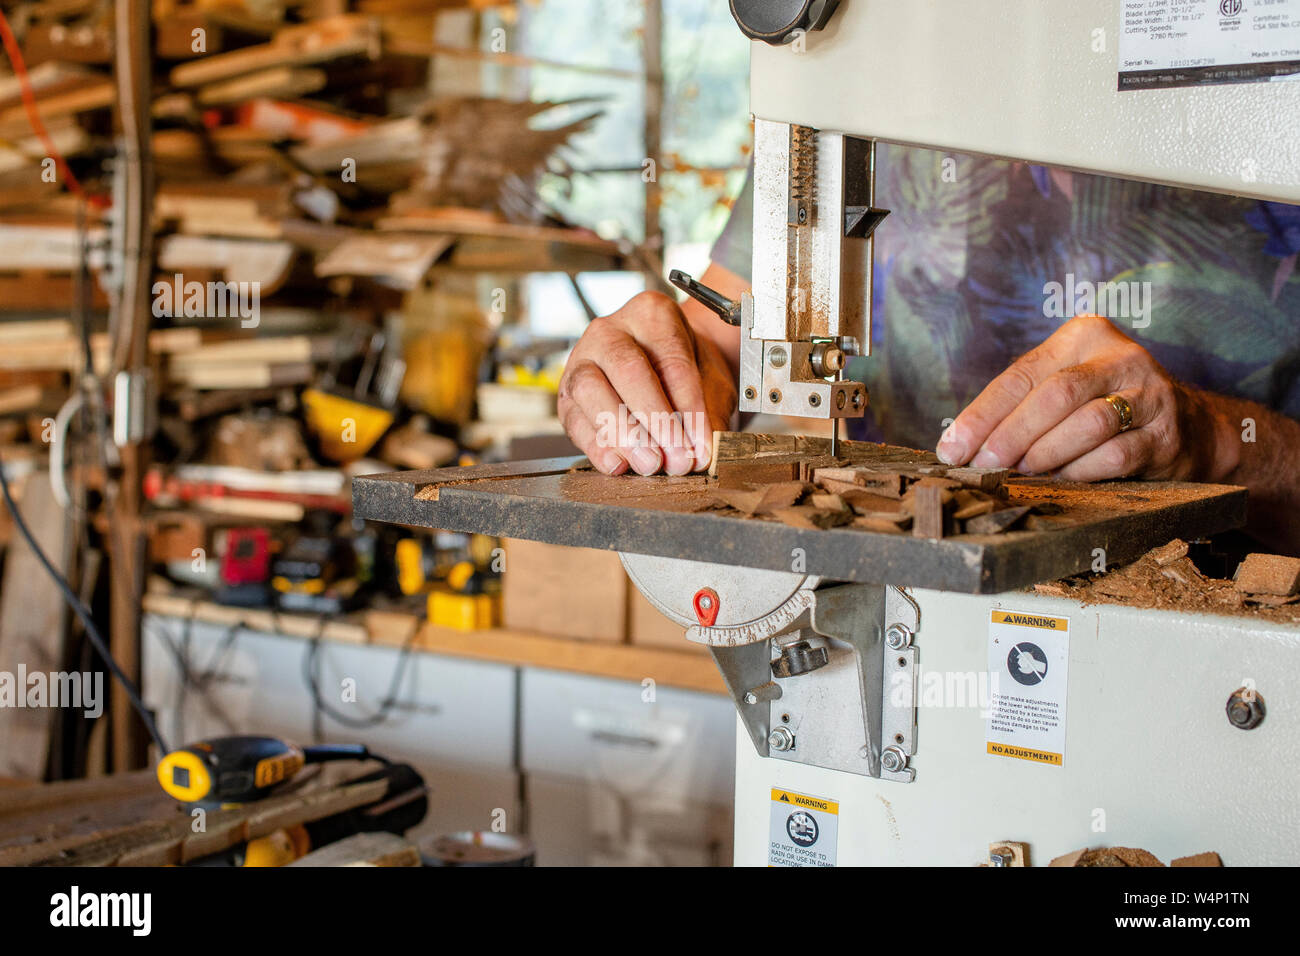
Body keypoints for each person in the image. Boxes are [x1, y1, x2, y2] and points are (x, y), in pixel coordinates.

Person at [558, 145, 1300, 553]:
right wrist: (652, 368)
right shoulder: (837, 109)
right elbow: (723, 343)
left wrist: (1217, 442)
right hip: (897, 634)